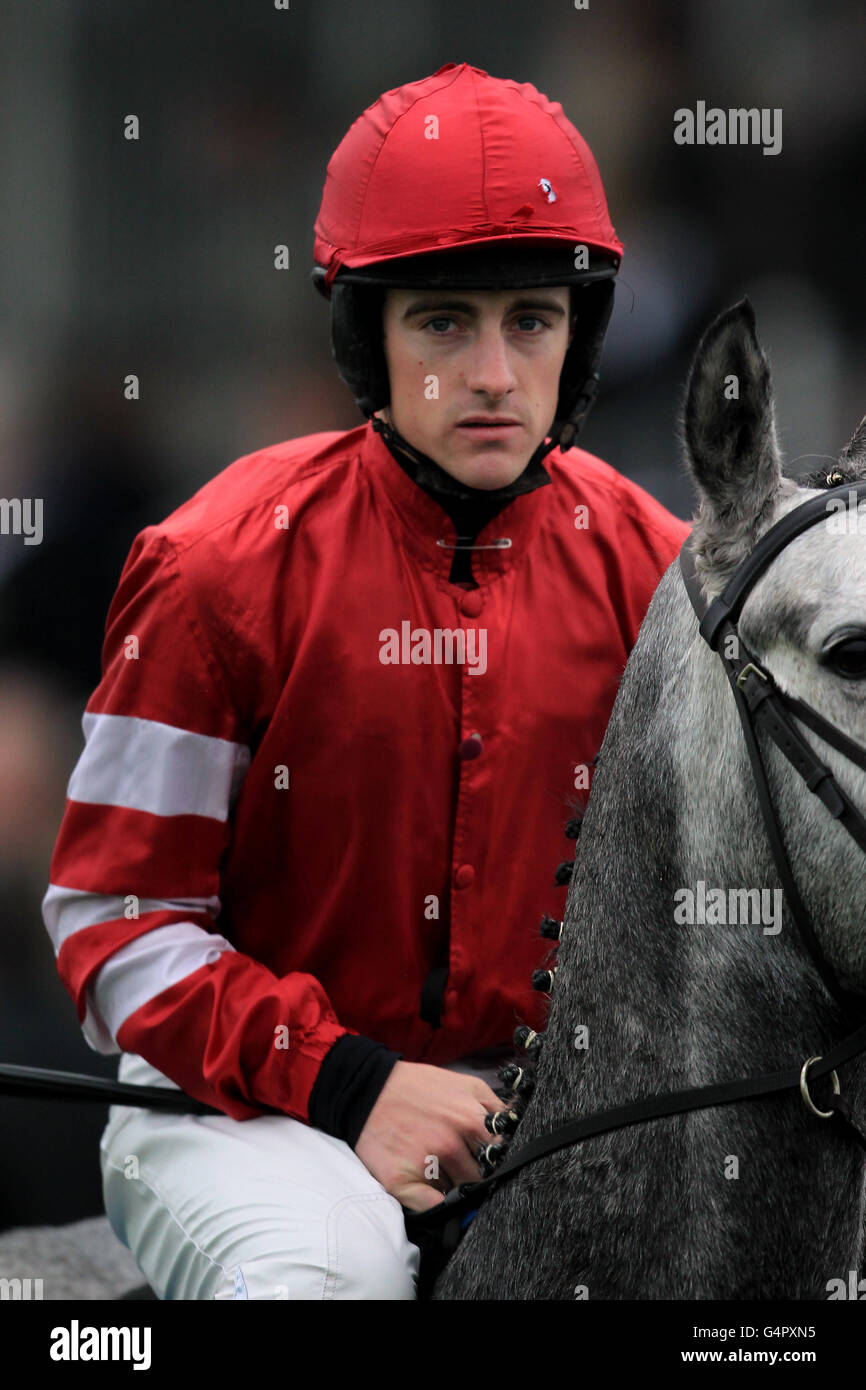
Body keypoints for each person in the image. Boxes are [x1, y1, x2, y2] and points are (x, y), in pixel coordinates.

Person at [41, 61, 691, 1300]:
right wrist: (353, 1083)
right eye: (443, 320)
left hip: (549, 1109)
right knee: (318, 1278)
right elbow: (111, 925)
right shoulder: (210, 567)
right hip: (241, 1116)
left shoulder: (660, 578)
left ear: (579, 333)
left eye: (531, 320)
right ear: (367, 337)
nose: (494, 372)